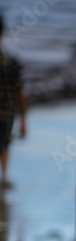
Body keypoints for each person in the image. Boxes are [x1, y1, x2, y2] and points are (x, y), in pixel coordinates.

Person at [0, 15, 27, 188]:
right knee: (4, 143)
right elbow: (19, 92)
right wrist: (24, 119)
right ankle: (4, 178)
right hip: (7, 110)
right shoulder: (11, 61)